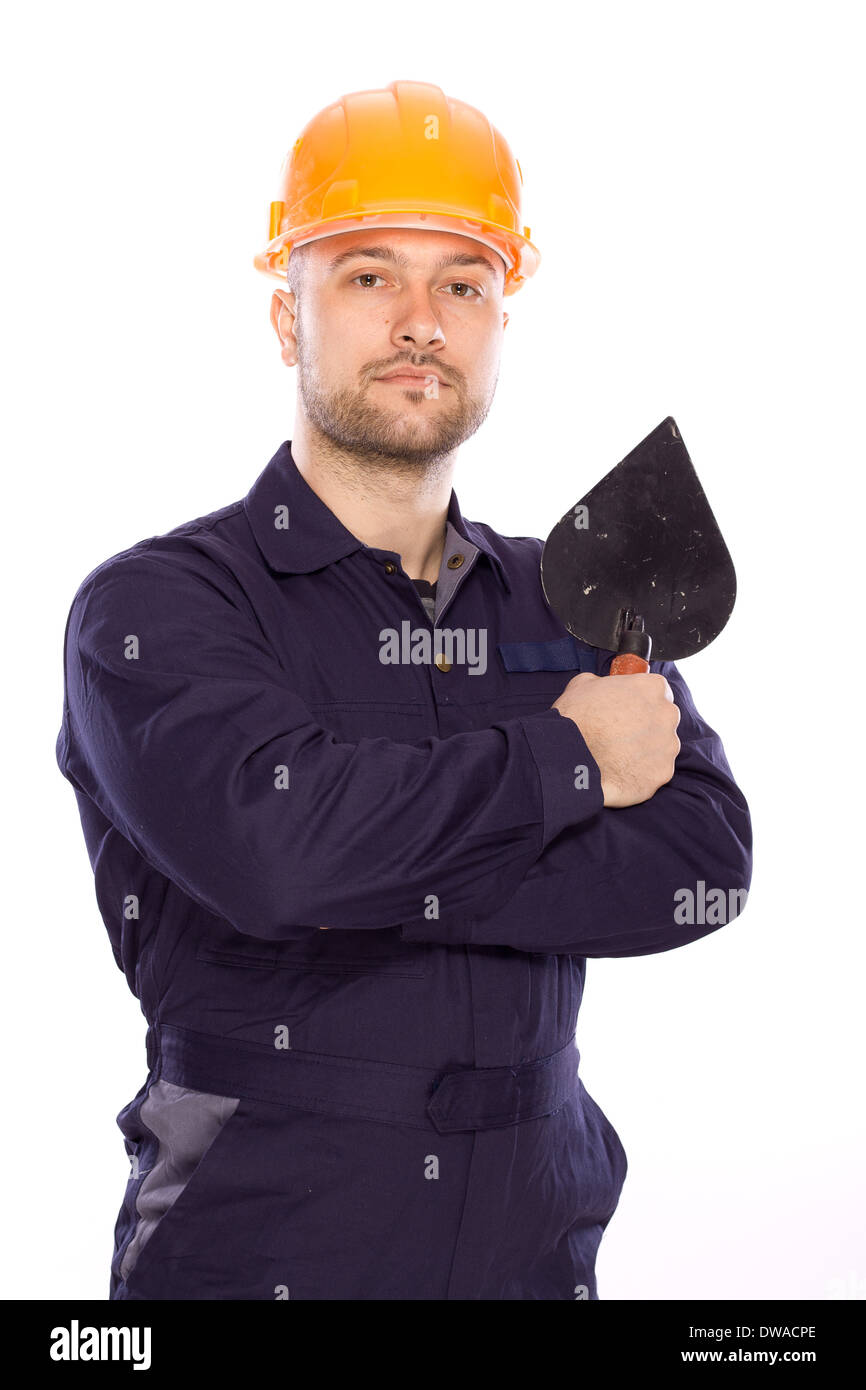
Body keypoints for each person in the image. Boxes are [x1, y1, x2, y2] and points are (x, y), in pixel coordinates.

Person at [55, 80, 752, 1301]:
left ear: (498, 319)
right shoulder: (161, 607)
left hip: (537, 1252)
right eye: (369, 276)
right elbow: (279, 855)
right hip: (253, 1251)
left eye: (463, 283)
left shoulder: (568, 599)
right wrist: (567, 765)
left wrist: (365, 868)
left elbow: (699, 865)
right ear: (287, 317)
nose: (420, 320)